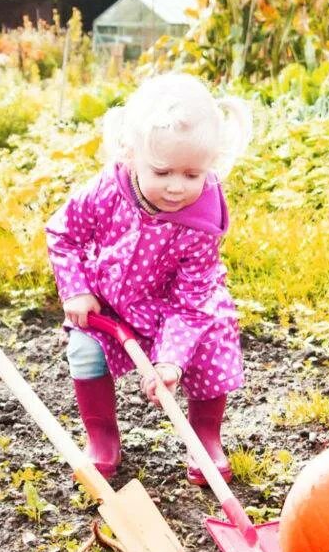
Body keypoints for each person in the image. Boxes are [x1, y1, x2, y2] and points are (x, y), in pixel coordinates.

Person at [45, 73, 253, 485]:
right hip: (108, 303)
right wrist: (78, 289)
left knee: (212, 344)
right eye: (163, 172)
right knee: (86, 351)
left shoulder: (202, 221)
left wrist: (171, 359)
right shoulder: (105, 191)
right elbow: (63, 234)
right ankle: (101, 435)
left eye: (192, 175)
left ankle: (205, 437)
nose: (177, 187)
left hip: (175, 311)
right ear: (130, 154)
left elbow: (192, 301)